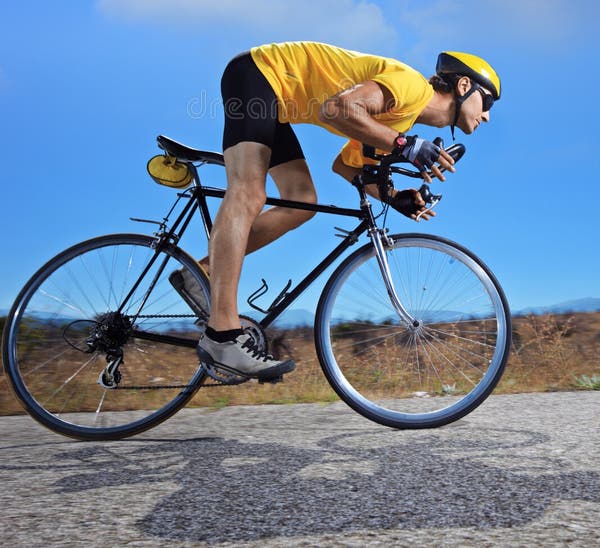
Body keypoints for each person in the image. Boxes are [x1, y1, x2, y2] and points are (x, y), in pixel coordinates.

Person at [173, 41, 501, 382]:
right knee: (249, 193)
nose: (488, 115)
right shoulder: (411, 86)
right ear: (464, 86)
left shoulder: (401, 118)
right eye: (488, 101)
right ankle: (222, 337)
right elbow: (337, 109)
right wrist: (406, 147)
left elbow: (347, 166)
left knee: (302, 201)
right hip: (259, 75)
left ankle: (199, 274)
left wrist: (393, 196)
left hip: (276, 98)